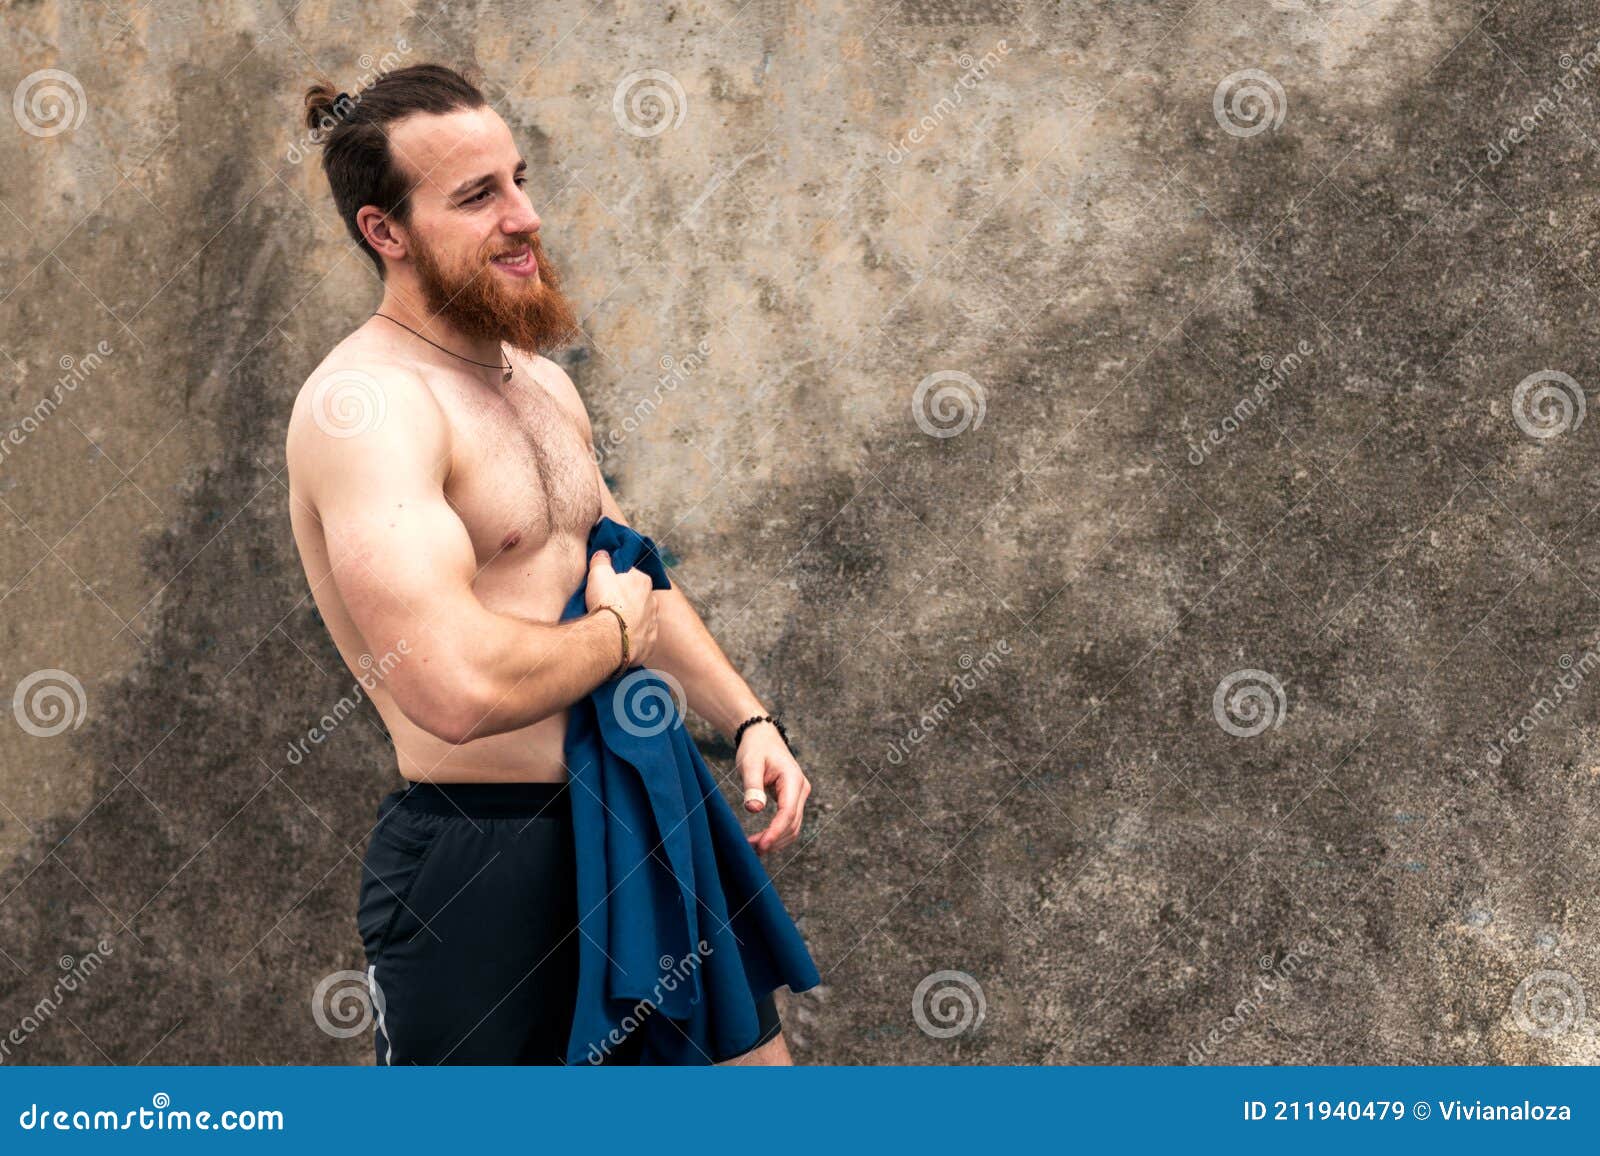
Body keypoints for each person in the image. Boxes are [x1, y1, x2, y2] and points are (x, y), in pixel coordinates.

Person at [284, 63, 813, 1065]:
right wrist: (617, 636)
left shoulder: (536, 383)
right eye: (477, 196)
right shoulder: (368, 411)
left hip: (650, 816)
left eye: (517, 180)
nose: (523, 216)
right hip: (489, 860)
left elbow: (627, 566)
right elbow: (454, 687)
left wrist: (743, 715)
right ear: (382, 231)